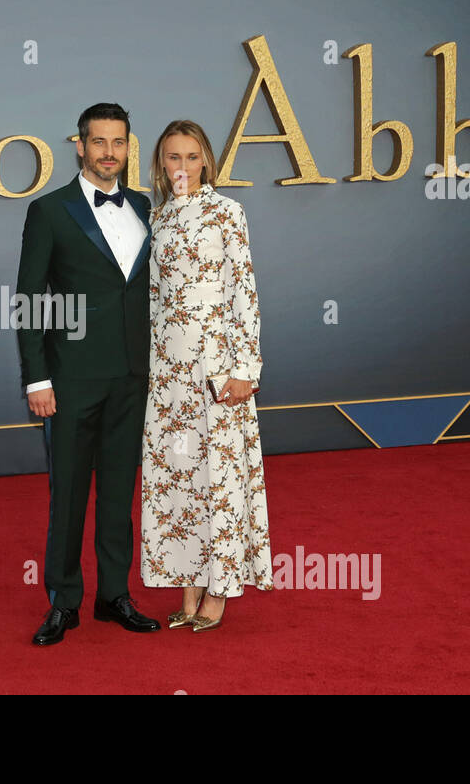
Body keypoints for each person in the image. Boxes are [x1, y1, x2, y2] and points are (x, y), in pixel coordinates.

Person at [16, 102, 161, 645]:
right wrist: (37, 378)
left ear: (128, 146)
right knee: (69, 495)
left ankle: (114, 595)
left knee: (120, 494)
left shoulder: (146, 206)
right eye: (98, 142)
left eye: (118, 143)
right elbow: (29, 299)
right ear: (79, 146)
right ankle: (63, 601)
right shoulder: (50, 211)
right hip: (71, 378)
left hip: (131, 377)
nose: (109, 153)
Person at [140, 120, 273, 633]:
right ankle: (188, 584)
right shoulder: (158, 220)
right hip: (167, 370)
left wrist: (245, 368)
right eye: (172, 157)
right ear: (159, 165)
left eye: (191, 157)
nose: (182, 167)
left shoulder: (227, 212)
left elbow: (244, 292)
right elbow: (154, 301)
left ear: (207, 161)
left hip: (217, 364)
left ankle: (219, 591)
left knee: (219, 477)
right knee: (177, 477)